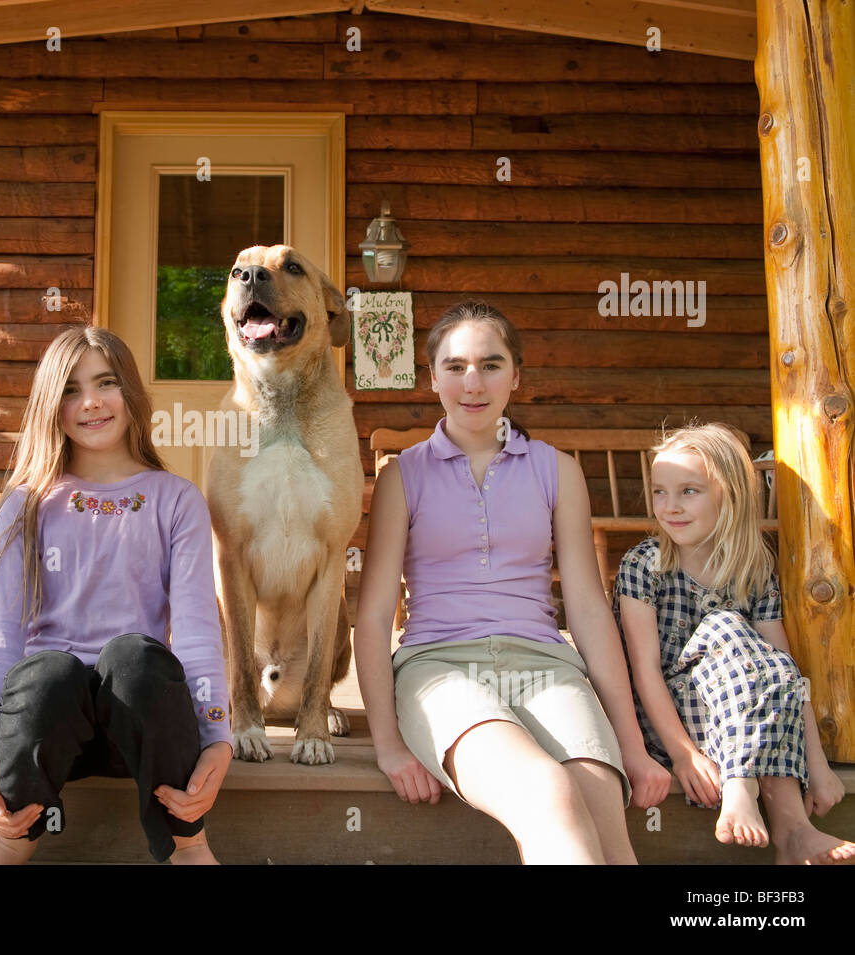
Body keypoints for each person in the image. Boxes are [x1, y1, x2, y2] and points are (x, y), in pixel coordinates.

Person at [354, 301, 667, 864]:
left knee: (603, 813)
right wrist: (388, 744)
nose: (472, 382)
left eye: (491, 364)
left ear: (516, 375)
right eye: (455, 366)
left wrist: (633, 746)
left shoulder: (557, 470)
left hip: (545, 665)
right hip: (439, 667)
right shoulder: (403, 475)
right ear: (433, 378)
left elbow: (590, 611)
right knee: (547, 792)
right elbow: (375, 616)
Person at [0, 326, 231, 865]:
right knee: (45, 673)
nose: (91, 402)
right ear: (50, 405)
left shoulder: (176, 500)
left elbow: (200, 630)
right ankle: (11, 842)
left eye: (105, 382)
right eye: (70, 388)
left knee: (136, 658)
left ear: (130, 391)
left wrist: (218, 738)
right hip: (47, 729)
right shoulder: (27, 504)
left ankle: (188, 845)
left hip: (139, 725)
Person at [614, 423, 853, 863]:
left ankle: (794, 834)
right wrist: (682, 756)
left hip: (744, 714)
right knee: (727, 626)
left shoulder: (754, 569)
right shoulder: (643, 565)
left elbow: (784, 671)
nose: (670, 506)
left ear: (732, 495)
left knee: (766, 661)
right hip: (673, 723)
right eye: (660, 492)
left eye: (689, 491)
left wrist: (818, 766)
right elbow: (644, 670)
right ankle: (747, 794)